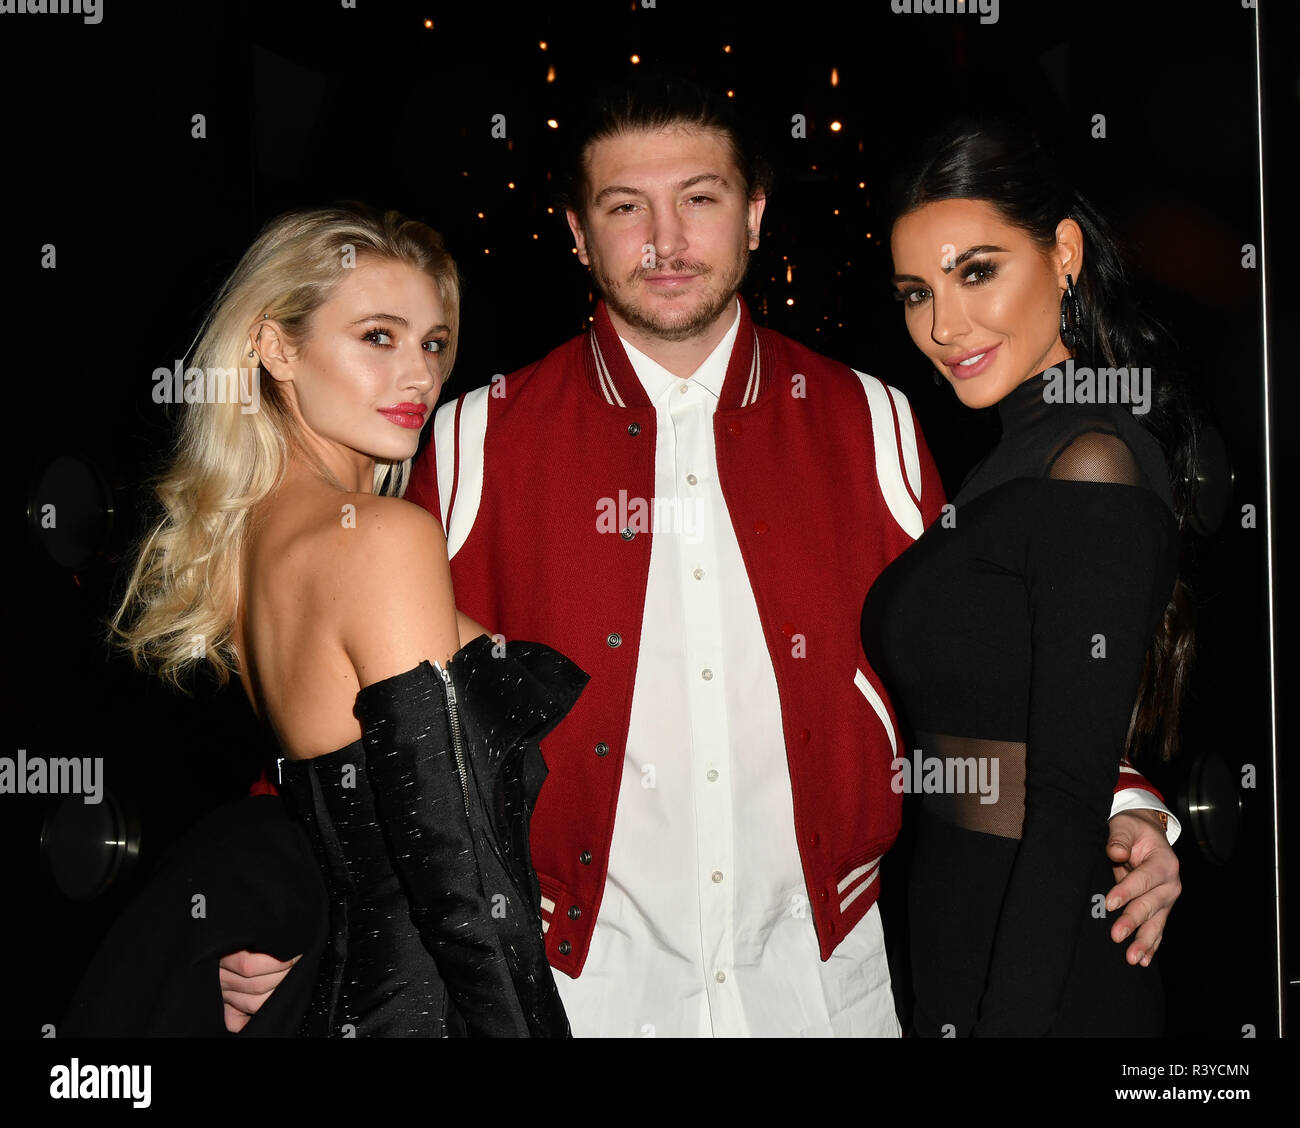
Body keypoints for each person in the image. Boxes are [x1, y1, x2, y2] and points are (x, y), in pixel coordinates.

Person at [222, 76, 1184, 1037]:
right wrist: (281, 903)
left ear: (755, 214)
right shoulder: (474, 434)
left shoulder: (873, 418)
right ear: (576, 232)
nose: (667, 242)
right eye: (625, 207)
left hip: (833, 982)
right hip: (574, 989)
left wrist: (1126, 800)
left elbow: (997, 651)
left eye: (701, 199)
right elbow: (356, 699)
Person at [101, 203, 587, 1037]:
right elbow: (464, 890)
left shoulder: (255, 546)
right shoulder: (381, 540)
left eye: (434, 342)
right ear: (277, 347)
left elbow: (354, 841)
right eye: (377, 336)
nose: (419, 376)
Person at [861, 117, 1196, 1035]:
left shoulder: (1094, 459)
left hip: (1044, 969)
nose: (943, 324)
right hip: (959, 932)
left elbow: (1062, 803)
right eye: (915, 291)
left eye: (978, 271)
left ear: (1064, 256)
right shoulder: (1006, 461)